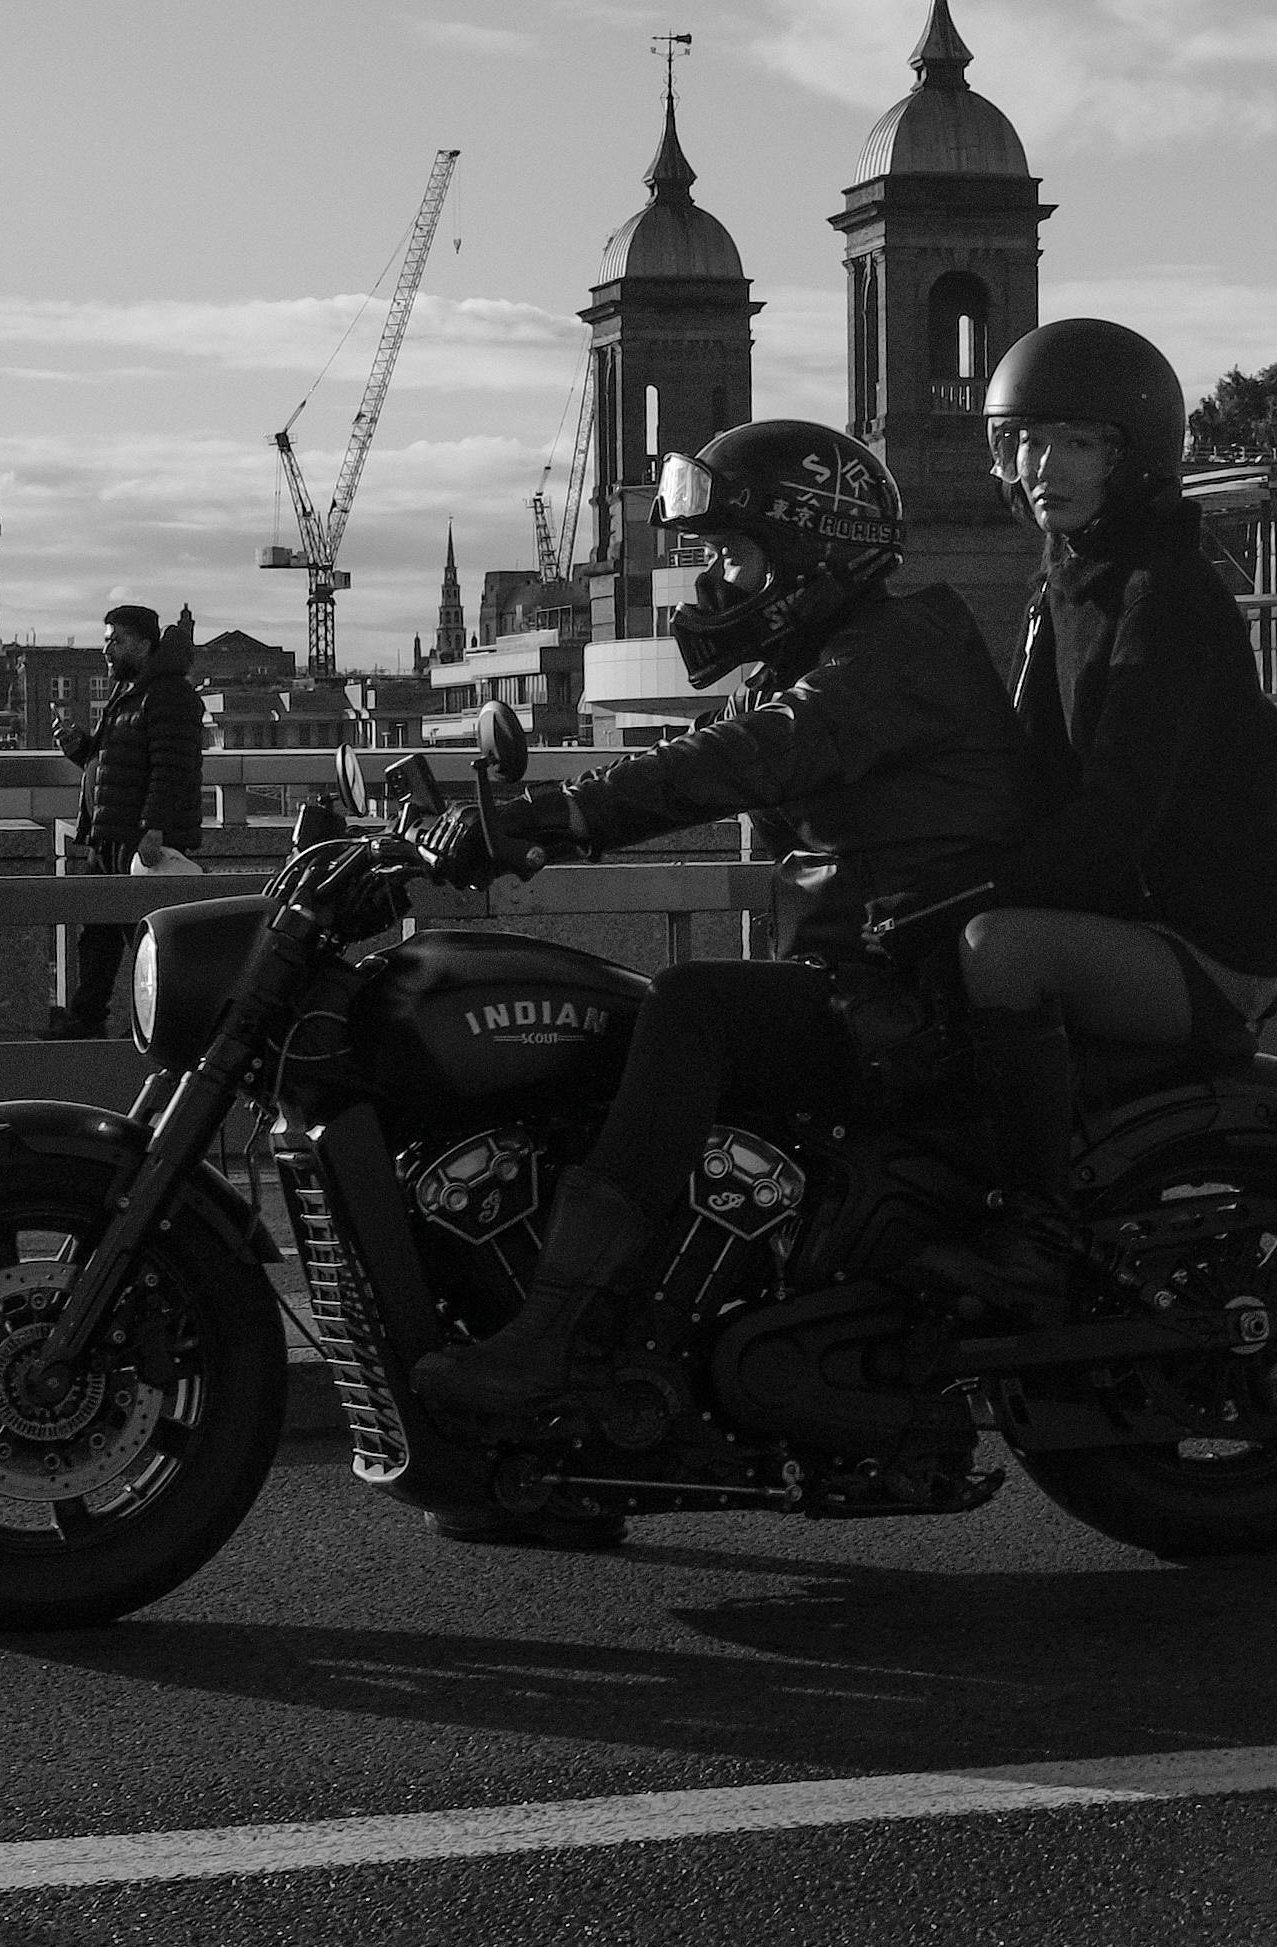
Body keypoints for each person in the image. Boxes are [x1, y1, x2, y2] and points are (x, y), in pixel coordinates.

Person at [414, 419, 1051, 1436]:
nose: (712, 584)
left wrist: (563, 813)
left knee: (691, 1005)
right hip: (870, 968)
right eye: (708, 556)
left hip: (923, 984)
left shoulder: (897, 650)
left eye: (731, 554)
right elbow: (726, 759)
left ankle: (557, 1340)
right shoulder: (817, 655)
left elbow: (750, 755)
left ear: (808, 552)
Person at [965, 318, 1277, 1193]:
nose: (1042, 468)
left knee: (995, 950)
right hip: (1125, 917)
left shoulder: (1161, 597)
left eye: (1075, 443)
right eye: (1024, 442)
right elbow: (1021, 761)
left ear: (1131, 456)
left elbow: (1118, 807)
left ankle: (1026, 1212)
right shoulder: (1065, 579)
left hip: (1198, 941)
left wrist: (983, 889)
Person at [47, 602, 204, 1037]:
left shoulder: (169, 693)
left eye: (115, 640)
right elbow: (110, 761)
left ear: (142, 642)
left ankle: (158, 1025)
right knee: (96, 932)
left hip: (139, 838)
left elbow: (171, 768)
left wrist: (154, 829)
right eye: (106, 640)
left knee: (143, 939)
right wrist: (77, 745)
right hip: (109, 833)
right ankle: (86, 1018)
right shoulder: (128, 690)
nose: (107, 650)